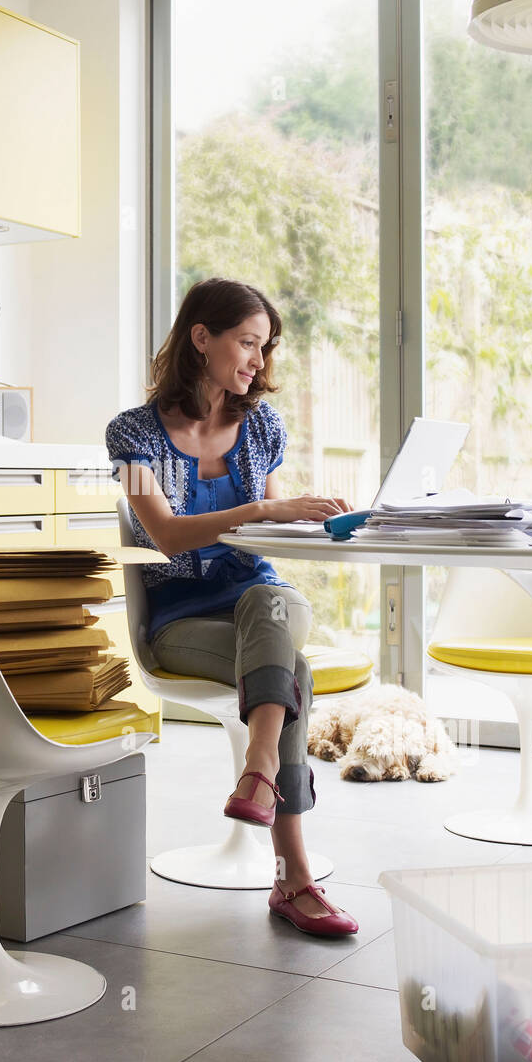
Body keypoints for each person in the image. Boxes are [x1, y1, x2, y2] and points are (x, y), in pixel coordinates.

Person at [105, 276, 359, 937]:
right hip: (180, 621)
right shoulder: (131, 437)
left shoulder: (261, 425)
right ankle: (293, 876)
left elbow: (264, 534)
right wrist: (268, 507)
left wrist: (316, 518)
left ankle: (258, 772)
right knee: (294, 676)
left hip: (258, 602)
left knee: (272, 599)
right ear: (201, 338)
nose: (259, 361)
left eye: (265, 347)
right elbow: (164, 533)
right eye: (248, 342)